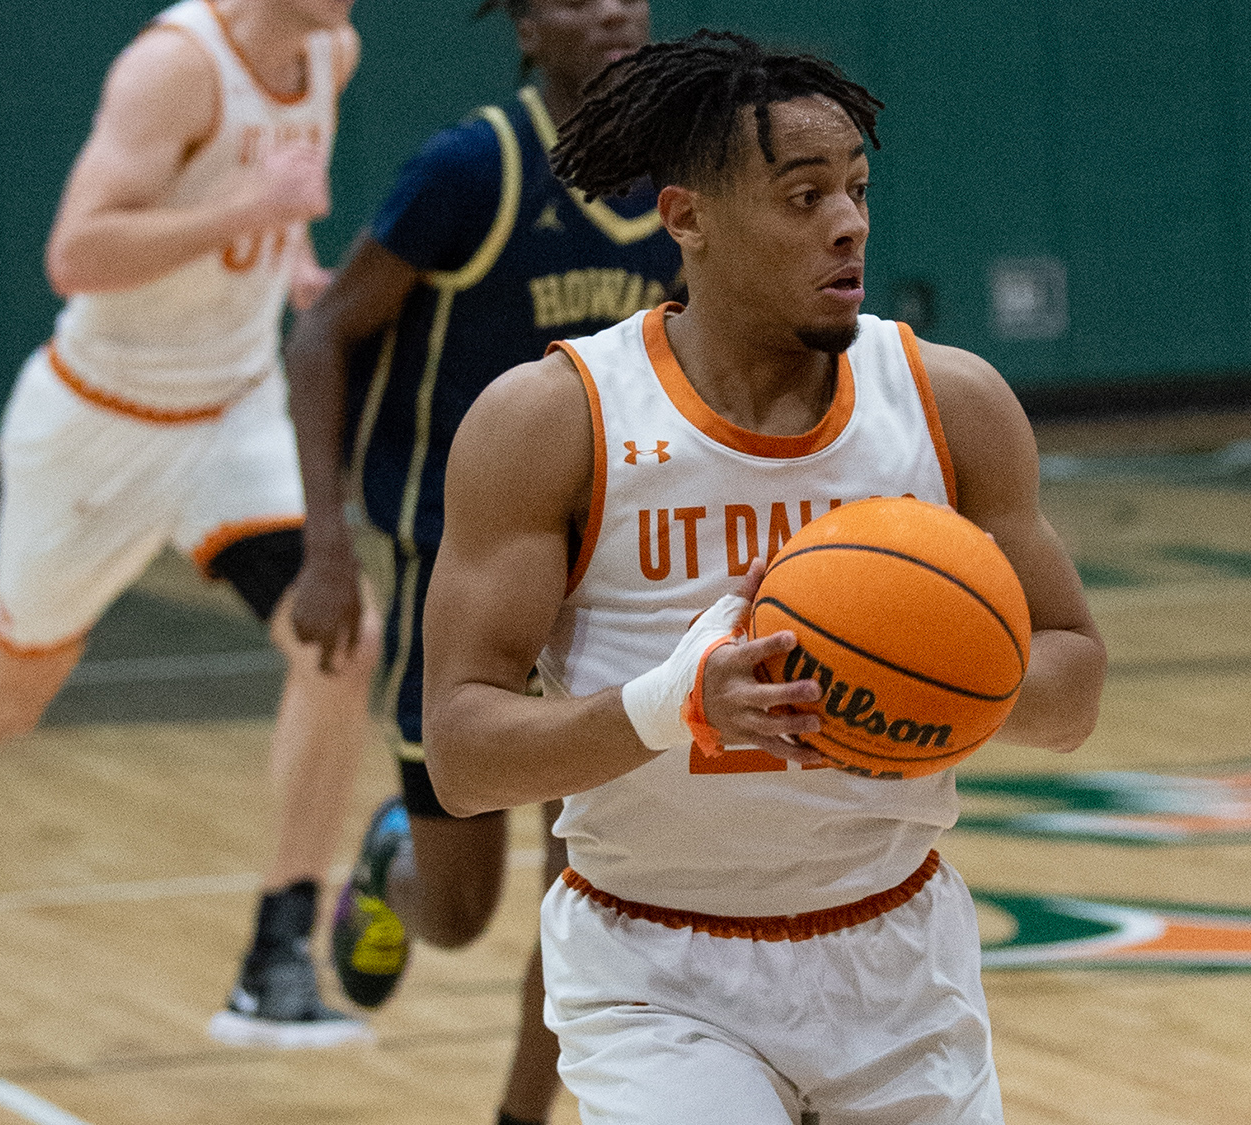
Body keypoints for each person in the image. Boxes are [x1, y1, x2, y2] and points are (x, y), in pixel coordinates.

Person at [419, 30, 1108, 1123]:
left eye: (857, 189)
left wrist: (918, 690)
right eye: (802, 197)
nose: (848, 223)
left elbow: (1070, 687)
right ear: (685, 217)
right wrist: (671, 707)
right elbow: (459, 755)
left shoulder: (949, 404)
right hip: (654, 971)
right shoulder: (554, 422)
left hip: (895, 956)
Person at [0, 0, 380, 1051]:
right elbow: (78, 252)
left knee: (341, 640)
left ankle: (273, 957)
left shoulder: (329, 52)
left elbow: (276, 207)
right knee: (12, 690)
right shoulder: (174, 67)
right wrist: (246, 209)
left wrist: (292, 265)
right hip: (100, 426)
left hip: (234, 415)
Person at [284, 0, 673, 1117]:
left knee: (586, 888)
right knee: (454, 917)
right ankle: (391, 859)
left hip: (609, 585)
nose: (608, 7)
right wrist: (323, 540)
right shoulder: (472, 169)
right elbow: (323, 336)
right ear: (521, 29)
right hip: (456, 580)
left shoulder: (681, 181)